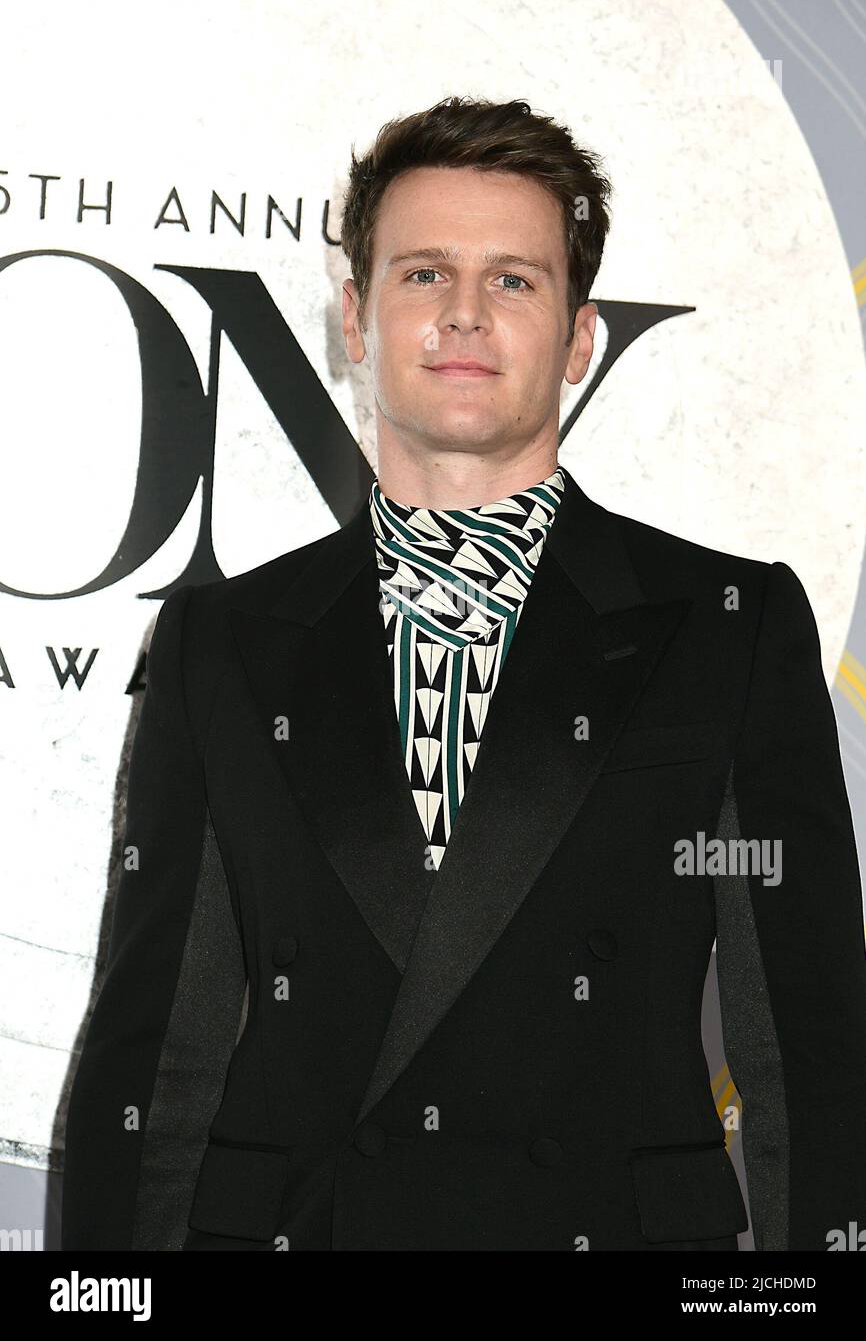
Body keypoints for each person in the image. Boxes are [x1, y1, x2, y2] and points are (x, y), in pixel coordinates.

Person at [61, 95, 866, 1251]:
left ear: (580, 332)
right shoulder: (222, 641)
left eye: (514, 280)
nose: (463, 316)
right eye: (423, 274)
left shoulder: (726, 625)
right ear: (354, 315)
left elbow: (805, 1047)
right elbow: (156, 1051)